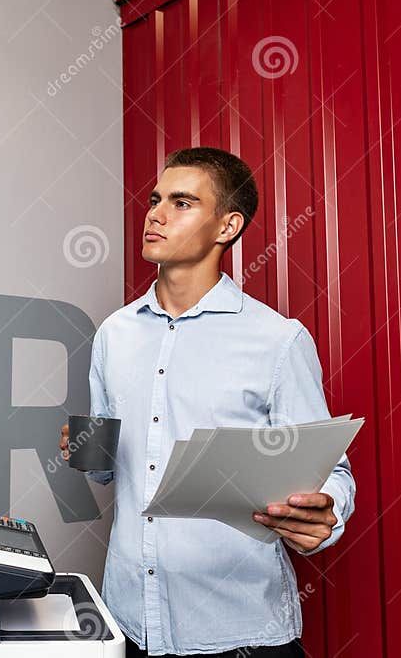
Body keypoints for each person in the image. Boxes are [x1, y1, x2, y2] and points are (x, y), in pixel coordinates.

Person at [58, 147, 354, 657]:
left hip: (241, 629)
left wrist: (328, 512)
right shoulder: (114, 334)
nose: (155, 214)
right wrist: (87, 450)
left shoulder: (277, 339)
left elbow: (331, 472)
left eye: (182, 202)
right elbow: (108, 470)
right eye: (155, 199)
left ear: (227, 226)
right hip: (131, 624)